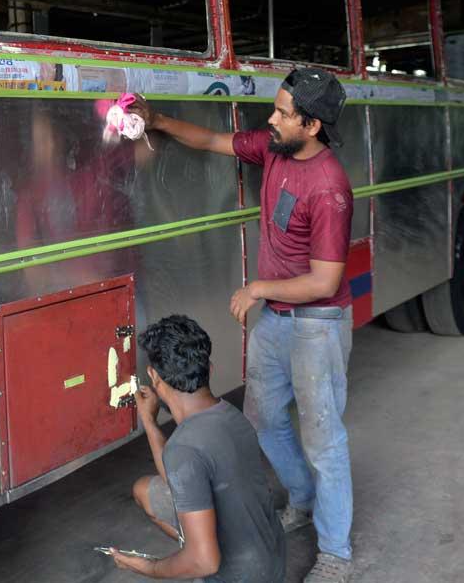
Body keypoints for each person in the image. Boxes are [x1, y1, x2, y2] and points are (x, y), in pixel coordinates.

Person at [127, 68, 355, 583]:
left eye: (283, 113)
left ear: (312, 126)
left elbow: (325, 281)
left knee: (324, 439)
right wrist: (156, 120)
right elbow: (212, 140)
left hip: (317, 323)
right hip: (278, 318)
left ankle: (337, 553)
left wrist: (257, 289)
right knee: (264, 418)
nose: (271, 119)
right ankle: (302, 502)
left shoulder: (329, 187)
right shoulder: (275, 149)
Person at [110, 314, 285, 582]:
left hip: (239, 576)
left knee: (198, 558)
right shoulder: (231, 415)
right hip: (271, 559)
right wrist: (150, 422)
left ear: (154, 376)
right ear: (209, 369)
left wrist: (147, 567)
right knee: (145, 490)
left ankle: (193, 546)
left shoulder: (184, 449)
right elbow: (180, 480)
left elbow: (204, 561)